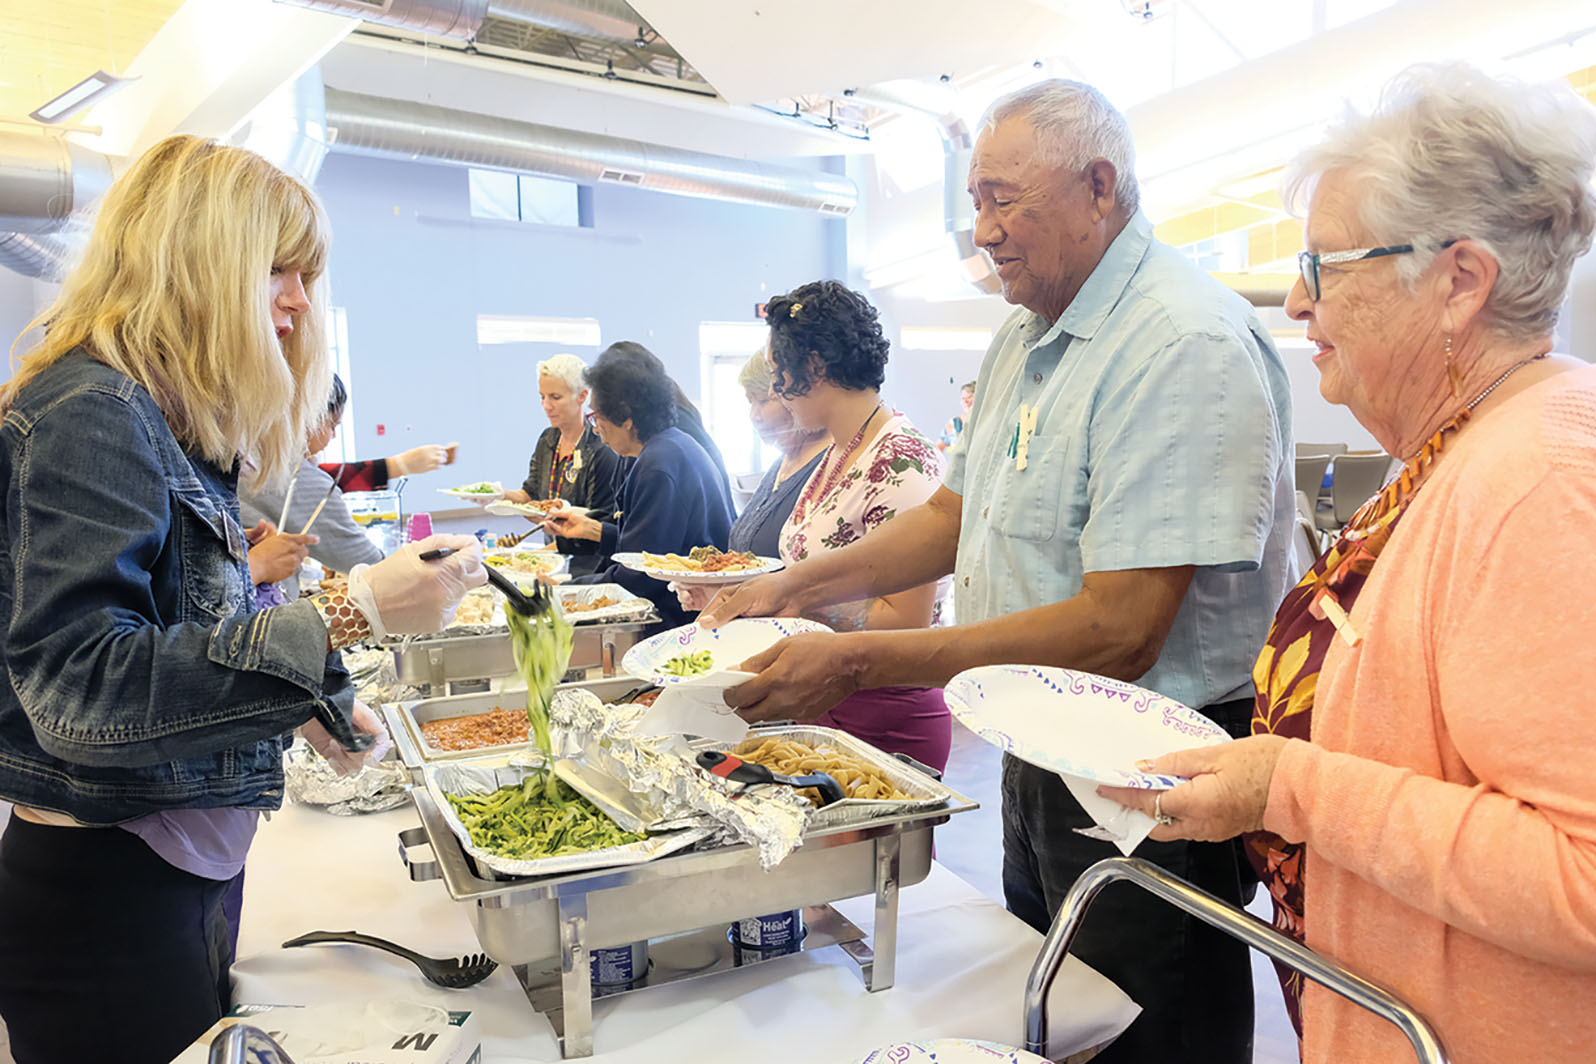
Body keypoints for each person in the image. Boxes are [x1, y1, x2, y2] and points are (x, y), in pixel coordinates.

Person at [701, 80, 1294, 1062]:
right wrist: (790, 587)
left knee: (1148, 1023)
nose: (983, 232)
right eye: (973, 203)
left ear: (1099, 185)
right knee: (1057, 1008)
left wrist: (861, 663)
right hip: (1038, 742)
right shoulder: (1026, 334)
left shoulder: (1179, 342)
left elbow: (1121, 628)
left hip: (1146, 767)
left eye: (1002, 198)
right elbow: (955, 516)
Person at [1102, 63, 1596, 1064]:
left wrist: (1290, 783)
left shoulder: (1538, 477)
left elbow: (1582, 875)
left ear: (1460, 280)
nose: (1293, 299)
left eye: (1324, 266)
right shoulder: (1465, 446)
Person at [0, 134, 486, 1064]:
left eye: (306, 275)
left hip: (168, 876)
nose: (299, 301)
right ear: (198, 261)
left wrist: (301, 702)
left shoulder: (165, 422)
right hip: (105, 901)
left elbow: (180, 634)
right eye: (279, 269)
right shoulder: (93, 413)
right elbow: (82, 693)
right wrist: (352, 613)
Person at [543, 342, 733, 628]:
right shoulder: (666, 446)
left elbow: (641, 575)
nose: (597, 430)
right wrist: (597, 532)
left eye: (596, 418)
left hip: (681, 618)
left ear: (627, 418)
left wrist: (563, 587)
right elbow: (649, 545)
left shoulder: (659, 464)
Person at [241, 373, 459, 596]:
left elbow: (325, 477)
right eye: (332, 425)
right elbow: (368, 564)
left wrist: (400, 465)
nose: (333, 435)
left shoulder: (246, 456)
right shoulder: (284, 472)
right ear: (308, 416)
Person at [502, 353, 621, 576]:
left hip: (589, 568)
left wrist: (531, 559)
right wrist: (498, 496)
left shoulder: (601, 451)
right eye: (542, 397)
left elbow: (595, 525)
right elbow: (531, 497)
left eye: (555, 397)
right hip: (553, 558)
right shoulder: (548, 440)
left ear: (582, 396)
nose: (546, 405)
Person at [722, 348, 830, 557]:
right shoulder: (781, 463)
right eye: (750, 402)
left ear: (794, 397)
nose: (754, 416)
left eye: (763, 401)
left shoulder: (827, 464)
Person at [938, 379, 977, 451]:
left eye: (969, 397)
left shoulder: (984, 420)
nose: (965, 401)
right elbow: (939, 448)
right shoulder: (954, 423)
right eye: (963, 398)